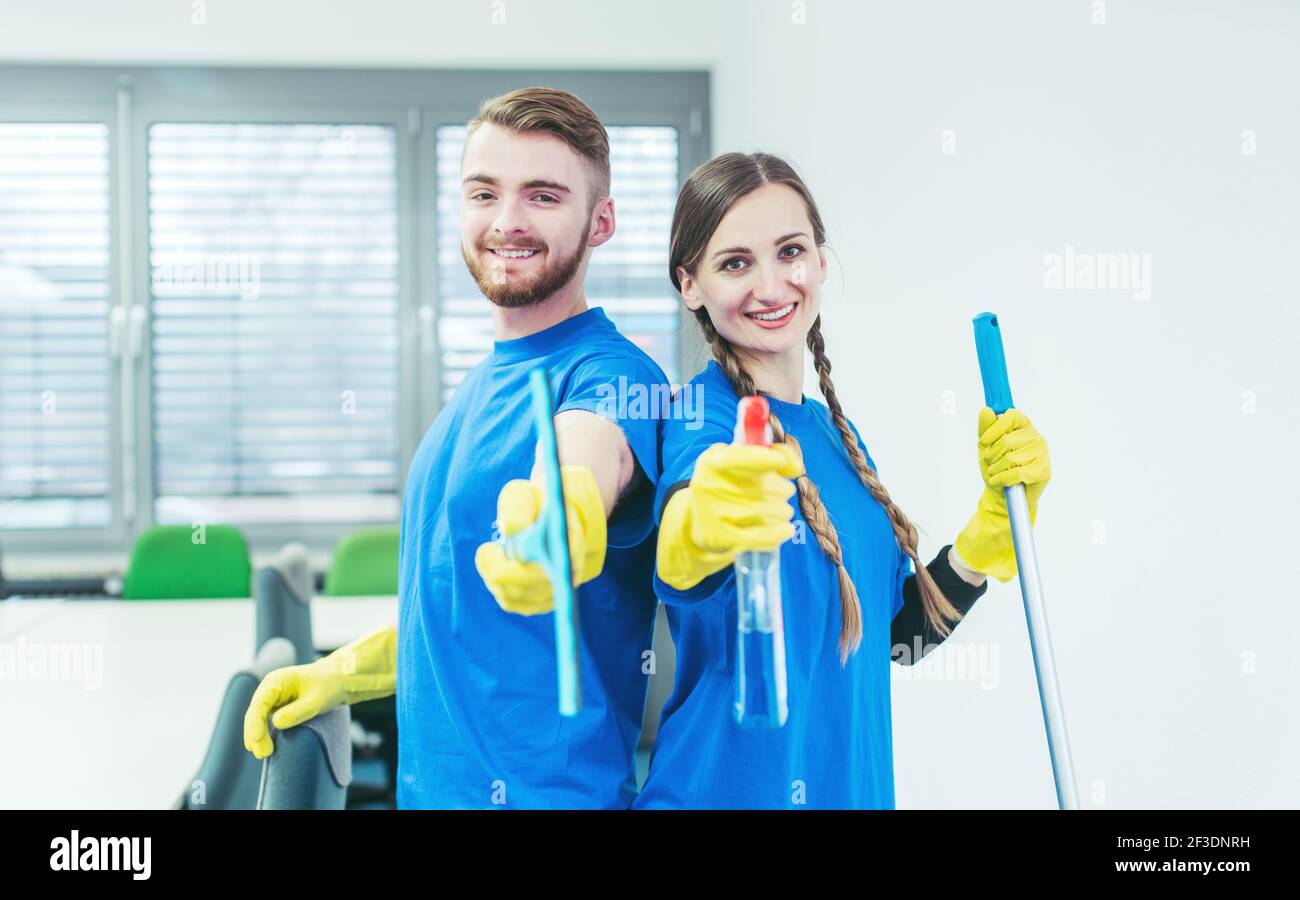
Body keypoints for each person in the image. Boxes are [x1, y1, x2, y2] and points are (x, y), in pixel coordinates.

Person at [243, 87, 669, 809]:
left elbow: (582, 467)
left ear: (601, 223)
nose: (507, 221)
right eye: (484, 193)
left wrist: (559, 523)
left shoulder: (612, 375)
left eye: (542, 196)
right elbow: (462, 617)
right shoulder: (479, 386)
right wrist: (342, 673)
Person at [634, 152, 1052, 809]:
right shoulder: (702, 418)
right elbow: (684, 538)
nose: (771, 286)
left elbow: (896, 641)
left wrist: (987, 535)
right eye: (735, 262)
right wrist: (700, 528)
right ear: (691, 285)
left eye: (790, 252)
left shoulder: (838, 437)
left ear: (821, 263)